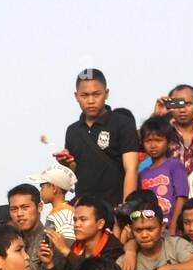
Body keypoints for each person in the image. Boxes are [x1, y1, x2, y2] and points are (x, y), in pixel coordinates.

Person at [54, 69, 140, 208]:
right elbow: (76, 172)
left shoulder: (123, 124)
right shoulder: (73, 130)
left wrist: (126, 207)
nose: (91, 101)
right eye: (84, 95)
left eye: (96, 94)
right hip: (85, 210)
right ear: (76, 96)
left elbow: (132, 168)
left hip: (115, 206)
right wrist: (65, 163)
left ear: (106, 93)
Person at [7, 184, 69, 270]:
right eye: (14, 209)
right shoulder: (10, 243)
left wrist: (50, 265)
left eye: (25, 207)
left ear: (39, 207)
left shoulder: (53, 240)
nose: (19, 214)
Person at [136, 116, 189, 231]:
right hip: (151, 229)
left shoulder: (175, 166)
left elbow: (182, 197)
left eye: (158, 140)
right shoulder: (142, 173)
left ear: (168, 142)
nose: (153, 145)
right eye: (148, 141)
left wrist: (174, 225)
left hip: (172, 226)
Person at [65, 194, 124, 270]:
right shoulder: (76, 247)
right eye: (75, 220)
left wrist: (67, 252)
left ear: (100, 224)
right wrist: (50, 266)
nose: (76, 225)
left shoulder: (113, 249)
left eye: (83, 219)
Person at [152, 84, 193, 175]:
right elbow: (134, 142)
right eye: (177, 104)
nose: (182, 110)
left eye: (187, 104)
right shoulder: (163, 133)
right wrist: (156, 116)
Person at [31, 165, 77, 247]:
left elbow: (69, 247)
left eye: (42, 187)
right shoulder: (60, 212)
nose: (40, 191)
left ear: (54, 188)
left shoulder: (64, 215)